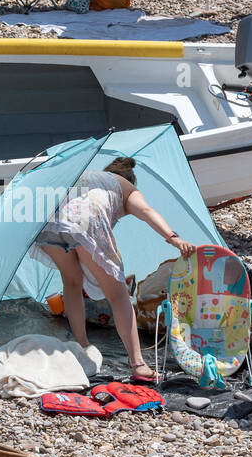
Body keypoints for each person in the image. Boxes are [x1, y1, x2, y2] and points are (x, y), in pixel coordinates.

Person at [32, 157, 196, 384]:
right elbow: (147, 211)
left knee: (71, 282)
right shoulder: (128, 189)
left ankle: (81, 346)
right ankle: (138, 364)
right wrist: (174, 238)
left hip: (49, 220)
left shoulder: (90, 174)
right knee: (118, 295)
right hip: (87, 219)